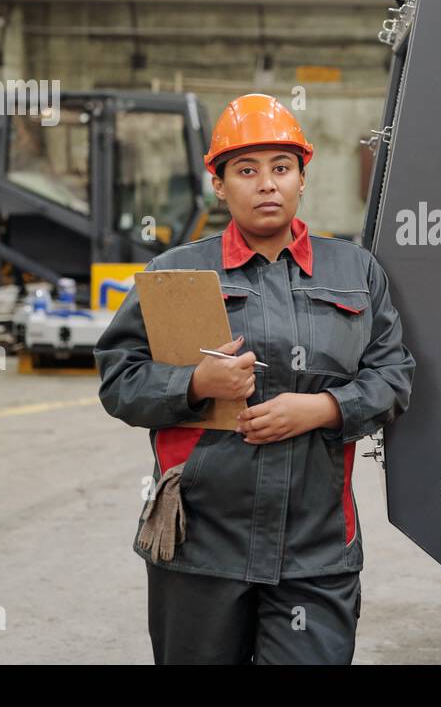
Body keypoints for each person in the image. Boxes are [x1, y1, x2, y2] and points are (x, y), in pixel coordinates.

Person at [94, 93, 415, 664]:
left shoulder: (356, 271)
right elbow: (120, 380)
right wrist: (195, 385)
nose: (267, 184)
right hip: (201, 547)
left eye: (281, 168)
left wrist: (326, 409)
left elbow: (394, 375)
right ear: (219, 184)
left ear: (301, 178)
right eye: (246, 170)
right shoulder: (175, 275)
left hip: (314, 548)